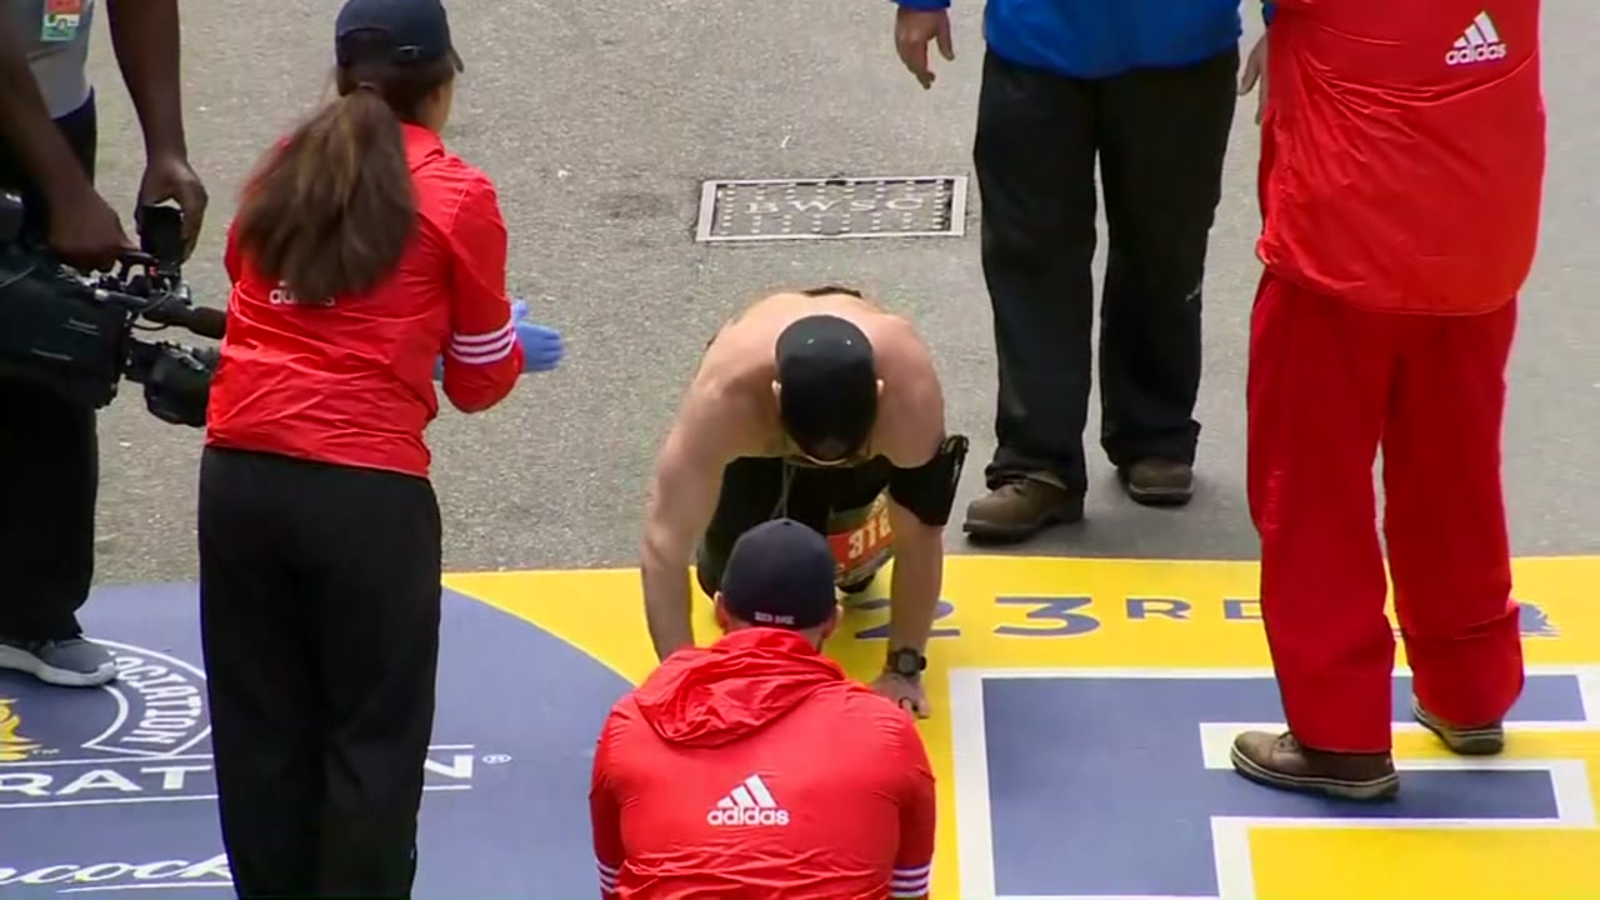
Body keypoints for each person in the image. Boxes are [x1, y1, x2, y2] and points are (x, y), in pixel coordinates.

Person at [196, 0, 562, 895]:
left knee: (261, 734)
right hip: (366, 495)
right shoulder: (458, 193)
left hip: (238, 476)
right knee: (373, 741)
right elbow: (477, 380)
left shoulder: (282, 169)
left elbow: (251, 283)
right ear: (438, 86)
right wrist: (501, 340)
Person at [1229, 0, 1544, 800]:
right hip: (1479, 238)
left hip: (1342, 251)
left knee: (1313, 493)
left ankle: (1339, 736)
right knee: (1457, 475)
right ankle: (1469, 693)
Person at [891, 0, 1243, 543]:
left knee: (1165, 246)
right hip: (1036, 39)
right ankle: (1037, 462)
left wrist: (1294, 23)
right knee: (1031, 255)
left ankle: (1154, 433)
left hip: (1183, 39)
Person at [0, 0, 207, 687]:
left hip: (55, 112)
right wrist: (66, 191)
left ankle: (31, 615)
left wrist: (166, 148)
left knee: (57, 349)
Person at [640, 286, 967, 718]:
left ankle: (856, 546)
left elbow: (921, 535)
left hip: (860, 444)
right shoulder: (726, 399)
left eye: (851, 450)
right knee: (732, 582)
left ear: (880, 391)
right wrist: (680, 682)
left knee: (849, 552)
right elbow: (664, 543)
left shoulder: (909, 397)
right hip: (762, 447)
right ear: (774, 395)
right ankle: (801, 503)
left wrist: (904, 668)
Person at [592, 518, 936, 900]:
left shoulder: (631, 723)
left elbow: (613, 885)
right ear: (832, 622)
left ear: (721, 610)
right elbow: (909, 893)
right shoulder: (887, 732)